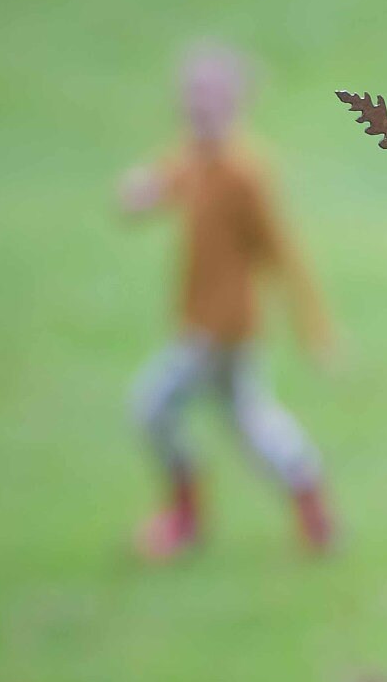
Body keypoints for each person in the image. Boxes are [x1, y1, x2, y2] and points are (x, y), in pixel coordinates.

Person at [119, 41, 336, 559]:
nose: (197, 104)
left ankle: (187, 517)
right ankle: (311, 512)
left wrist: (314, 328)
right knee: (249, 420)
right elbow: (167, 181)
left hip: (223, 329)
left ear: (236, 101)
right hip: (200, 323)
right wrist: (140, 191)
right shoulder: (195, 157)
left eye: (210, 95)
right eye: (192, 93)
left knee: (153, 408)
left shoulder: (245, 172)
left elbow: (283, 254)